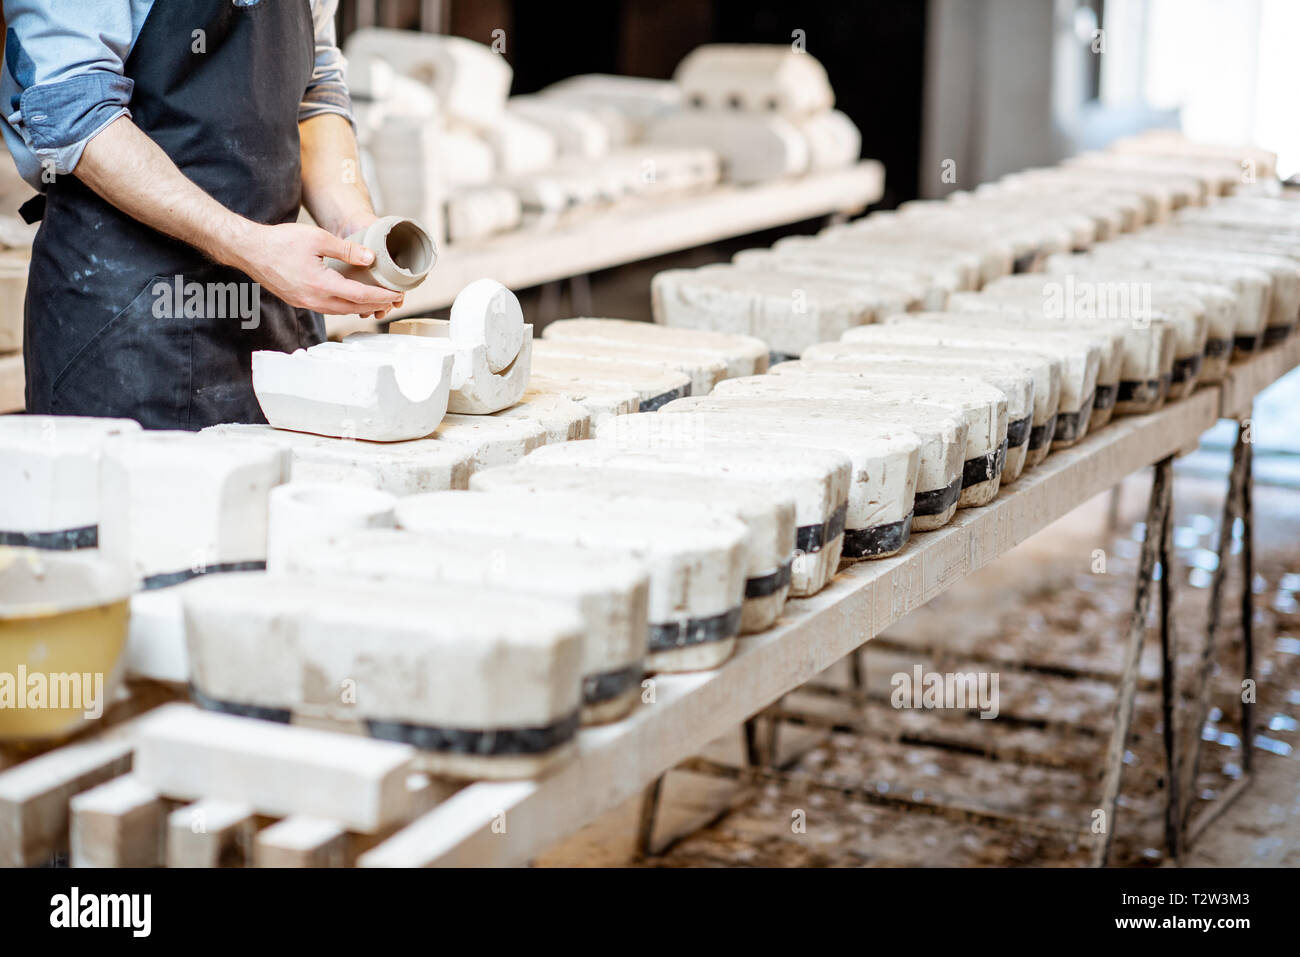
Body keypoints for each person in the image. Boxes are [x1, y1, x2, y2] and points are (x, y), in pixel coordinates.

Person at [1, 0, 403, 429]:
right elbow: (74, 111)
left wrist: (354, 229)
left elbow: (314, 93)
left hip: (273, 311)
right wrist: (250, 246)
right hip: (126, 323)